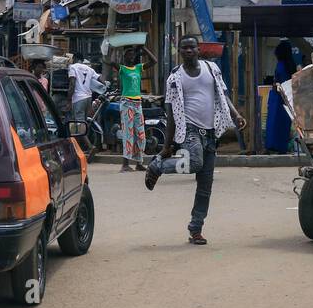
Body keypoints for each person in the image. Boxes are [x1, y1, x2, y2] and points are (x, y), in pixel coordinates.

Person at [144, 36, 247, 244]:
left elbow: (223, 95)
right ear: (179, 51)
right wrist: (167, 147)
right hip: (190, 130)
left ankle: (196, 229)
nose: (189, 50)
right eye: (185, 48)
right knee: (195, 162)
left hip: (211, 132)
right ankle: (158, 166)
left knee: (205, 186)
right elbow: (171, 112)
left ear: (198, 50)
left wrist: (236, 115)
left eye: (192, 47)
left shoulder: (211, 69)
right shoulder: (175, 77)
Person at [118, 46, 149, 172]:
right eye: (128, 54)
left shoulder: (138, 68)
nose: (131, 57)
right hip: (127, 103)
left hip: (138, 103)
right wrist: (116, 49)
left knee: (140, 134)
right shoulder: (122, 69)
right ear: (124, 57)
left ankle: (138, 162)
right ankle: (125, 164)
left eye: (133, 54)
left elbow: (154, 61)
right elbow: (109, 61)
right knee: (128, 133)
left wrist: (144, 48)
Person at [264, 40, 296, 154]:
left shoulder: (281, 65)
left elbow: (278, 81)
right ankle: (282, 146)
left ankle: (272, 145)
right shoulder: (291, 64)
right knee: (283, 123)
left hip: (277, 97)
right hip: (286, 97)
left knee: (273, 122)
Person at [68, 56, 99, 127]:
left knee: (79, 124)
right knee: (85, 122)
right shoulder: (89, 69)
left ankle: (83, 138)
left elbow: (72, 84)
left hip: (78, 98)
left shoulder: (72, 67)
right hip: (88, 98)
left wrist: (69, 100)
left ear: (74, 59)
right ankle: (84, 136)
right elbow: (99, 78)